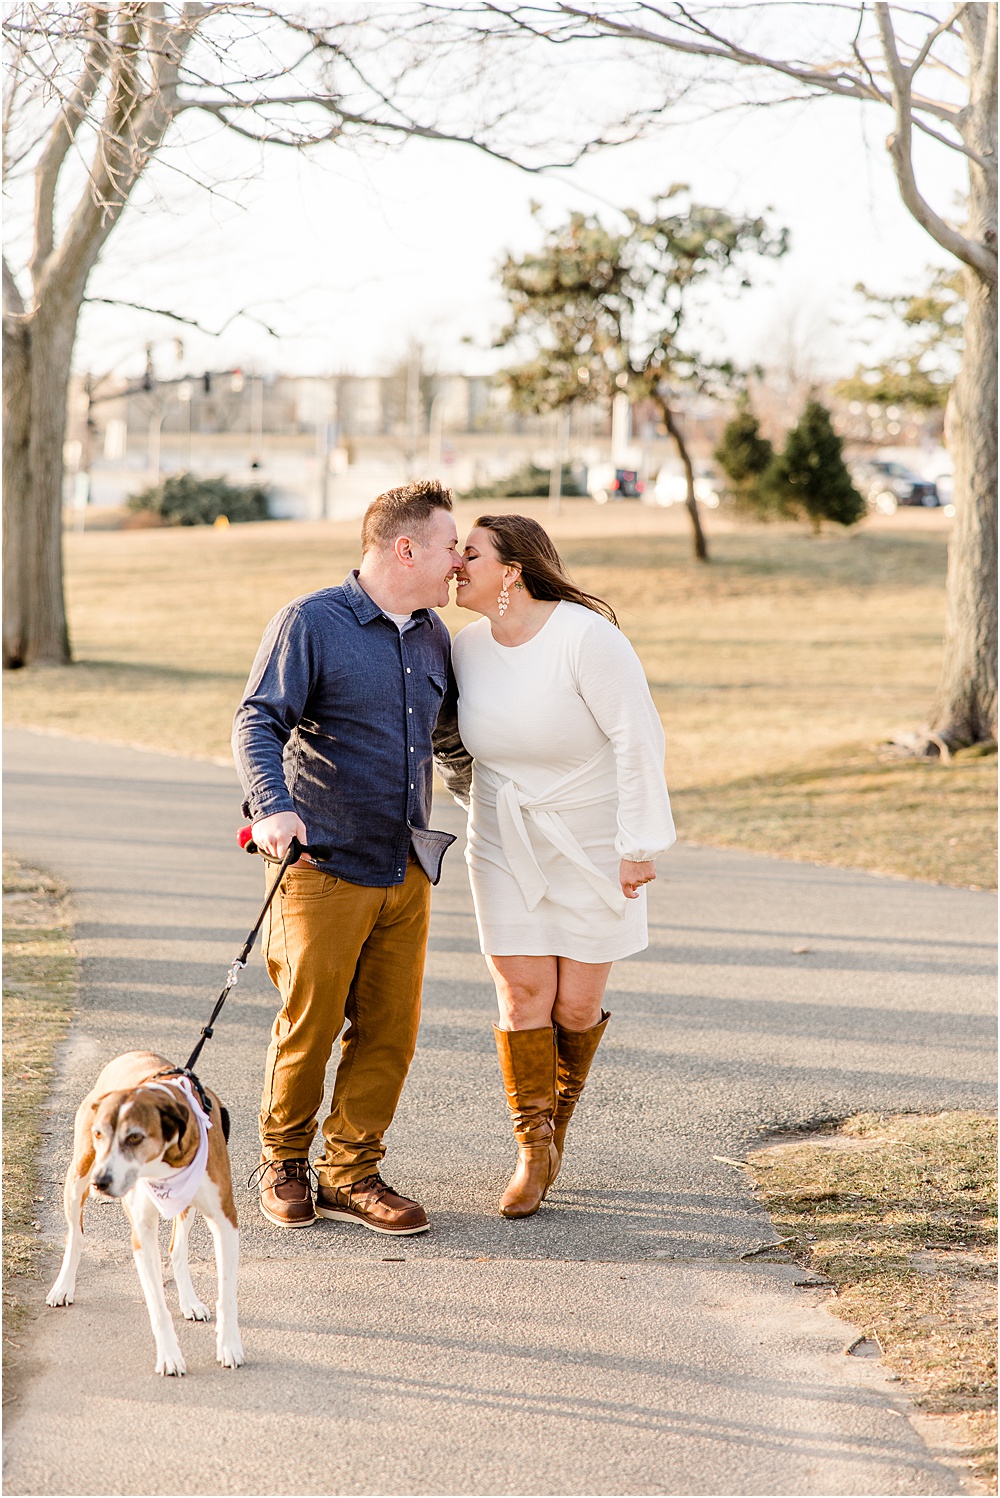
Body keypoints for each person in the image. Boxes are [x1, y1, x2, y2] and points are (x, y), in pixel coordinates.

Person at [233, 480, 471, 1234]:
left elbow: (451, 745)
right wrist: (272, 808)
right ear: (406, 548)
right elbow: (257, 720)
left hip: (405, 868)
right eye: (448, 544)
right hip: (320, 867)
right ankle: (285, 1161)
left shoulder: (434, 634)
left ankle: (351, 1171)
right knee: (309, 1022)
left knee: (390, 1031)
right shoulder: (311, 621)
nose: (458, 558)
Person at [452, 514, 675, 1218]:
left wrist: (637, 845)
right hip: (502, 834)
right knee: (522, 996)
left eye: (471, 553)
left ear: (512, 570)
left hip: (591, 838)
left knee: (575, 1004)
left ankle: (554, 1136)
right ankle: (531, 1148)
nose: (456, 563)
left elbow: (638, 738)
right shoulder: (465, 647)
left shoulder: (586, 638)